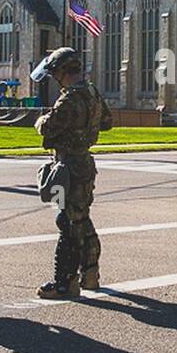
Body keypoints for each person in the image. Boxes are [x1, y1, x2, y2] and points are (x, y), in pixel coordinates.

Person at [33, 46, 113, 299]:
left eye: (55, 72)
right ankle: (90, 273)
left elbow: (48, 127)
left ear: (62, 71)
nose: (55, 77)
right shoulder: (93, 93)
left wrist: (41, 122)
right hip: (85, 164)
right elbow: (107, 122)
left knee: (67, 223)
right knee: (81, 220)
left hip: (68, 167)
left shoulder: (69, 98)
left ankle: (65, 282)